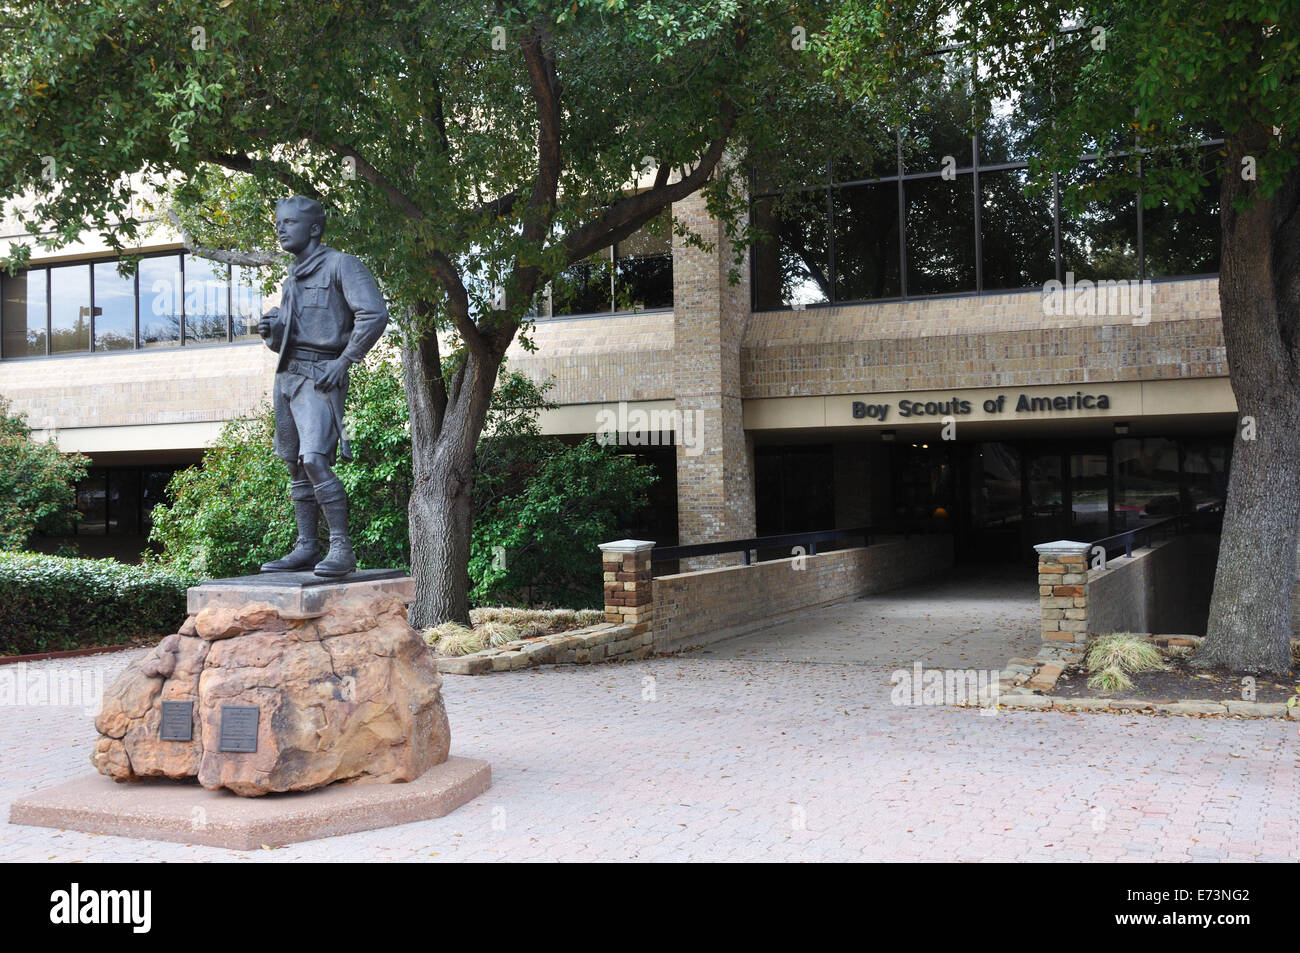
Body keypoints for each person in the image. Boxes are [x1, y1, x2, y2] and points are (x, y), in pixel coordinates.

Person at [257, 196, 388, 576]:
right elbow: (289, 338)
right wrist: (272, 332)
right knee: (294, 466)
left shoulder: (341, 265)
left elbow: (374, 314)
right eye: (278, 222)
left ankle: (341, 548)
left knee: (315, 459)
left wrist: (345, 360)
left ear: (313, 228)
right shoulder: (290, 280)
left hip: (320, 377)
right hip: (288, 377)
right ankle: (306, 546)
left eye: (289, 222)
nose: (280, 228)